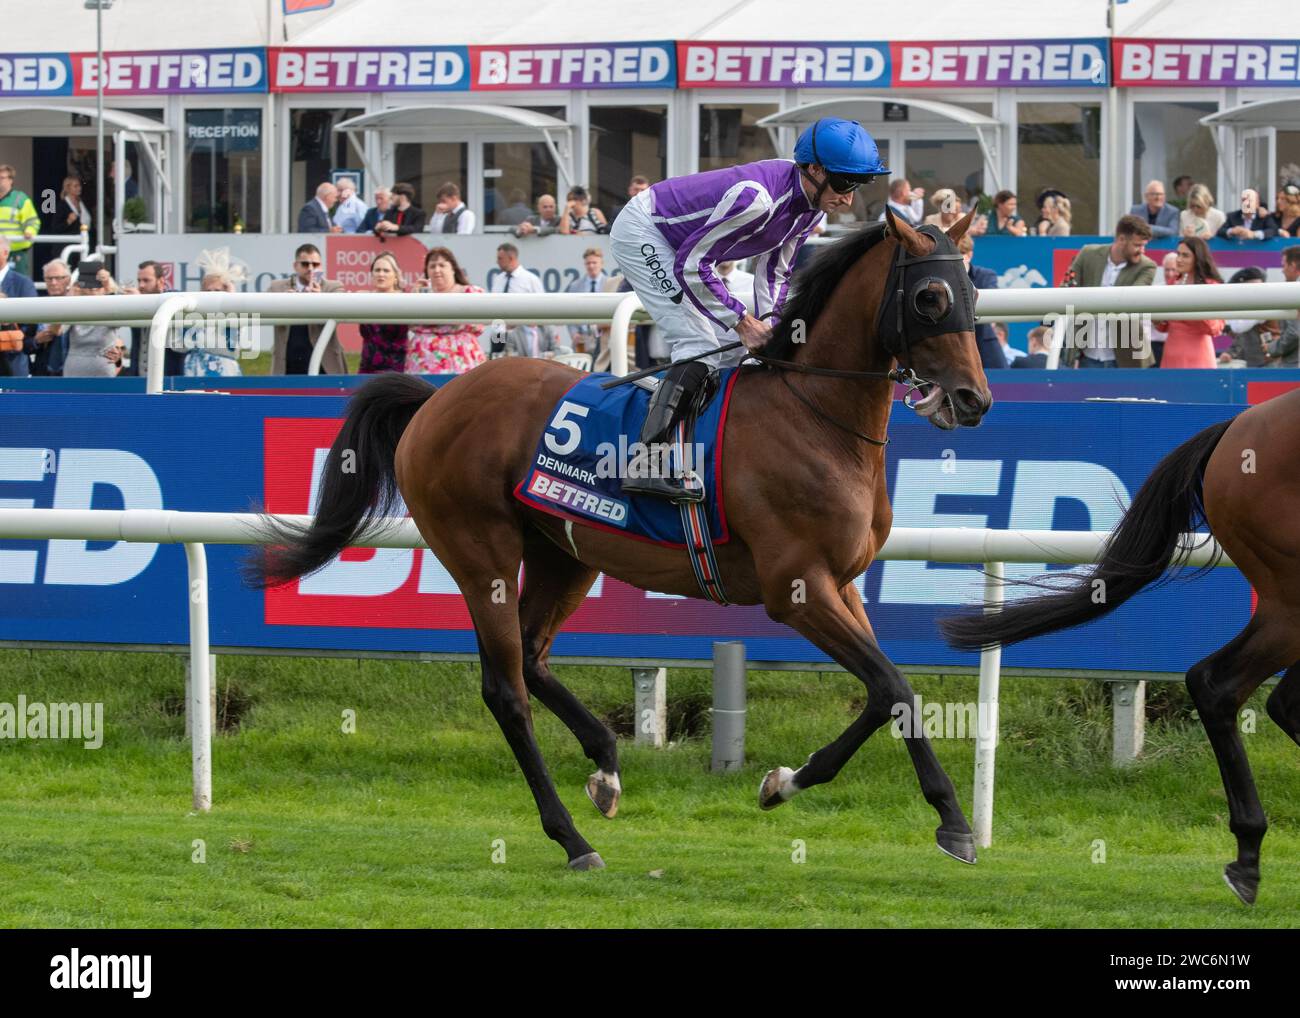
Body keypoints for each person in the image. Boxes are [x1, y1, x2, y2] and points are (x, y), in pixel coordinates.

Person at [610, 116, 889, 499]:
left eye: (857, 185)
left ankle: (709, 452)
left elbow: (773, 274)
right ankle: (646, 461)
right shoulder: (757, 199)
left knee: (740, 350)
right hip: (646, 231)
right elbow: (692, 265)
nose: (848, 198)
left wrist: (772, 326)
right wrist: (743, 321)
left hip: (685, 246)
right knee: (697, 343)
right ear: (814, 170)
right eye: (843, 183)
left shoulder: (812, 209)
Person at [1059, 215, 1157, 368]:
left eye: (1144, 245)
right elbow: (1066, 289)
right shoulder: (1087, 254)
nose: (1142, 251)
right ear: (1121, 239)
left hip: (1126, 358)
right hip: (1086, 355)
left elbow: (1132, 300)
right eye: (1138, 245)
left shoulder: (1147, 266)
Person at [268, 243, 348, 374]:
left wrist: (320, 299)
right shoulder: (277, 288)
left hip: (326, 365)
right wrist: (283, 302)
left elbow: (343, 309)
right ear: (295, 266)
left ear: (321, 266)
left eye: (315, 264)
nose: (311, 268)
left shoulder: (333, 287)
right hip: (288, 364)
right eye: (305, 264)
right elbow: (263, 310)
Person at [406, 247, 486, 375]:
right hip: (423, 362)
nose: (437, 270)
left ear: (453, 269)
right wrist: (413, 297)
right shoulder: (419, 295)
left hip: (463, 361)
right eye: (432, 266)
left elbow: (480, 322)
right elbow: (409, 323)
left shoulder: (470, 292)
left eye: (442, 265)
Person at [1153, 236, 1224, 369]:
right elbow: (1165, 326)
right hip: (1171, 351)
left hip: (1198, 353)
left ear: (1197, 258)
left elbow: (1215, 327)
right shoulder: (1173, 282)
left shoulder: (1211, 285)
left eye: (1185, 255)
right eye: (1178, 254)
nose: (1178, 259)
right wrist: (1157, 319)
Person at [61, 261, 128, 378]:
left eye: (97, 287)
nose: (92, 291)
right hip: (74, 369)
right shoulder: (73, 306)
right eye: (88, 287)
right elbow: (58, 330)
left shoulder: (110, 305)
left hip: (103, 368)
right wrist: (69, 298)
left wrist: (108, 288)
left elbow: (118, 317)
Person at [487, 243, 555, 358]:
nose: (497, 261)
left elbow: (542, 307)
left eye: (500, 258)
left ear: (511, 258)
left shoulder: (530, 280)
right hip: (498, 330)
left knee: (517, 366)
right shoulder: (498, 280)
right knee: (495, 360)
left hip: (520, 333)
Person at [120, 260, 184, 378]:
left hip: (169, 380)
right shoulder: (135, 304)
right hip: (138, 380)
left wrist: (140, 300)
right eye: (139, 281)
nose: (141, 285)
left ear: (161, 282)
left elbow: (176, 299)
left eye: (146, 280)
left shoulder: (173, 298)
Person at [957, 235, 1007, 370]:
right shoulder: (940, 278)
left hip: (982, 340)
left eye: (959, 254)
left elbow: (991, 301)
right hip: (953, 343)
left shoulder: (986, 275)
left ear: (969, 255)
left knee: (1003, 383)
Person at [184, 269, 245, 377]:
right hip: (195, 368)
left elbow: (233, 342)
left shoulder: (235, 314)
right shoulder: (193, 316)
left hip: (224, 369)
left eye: (217, 291)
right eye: (208, 291)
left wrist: (231, 296)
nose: (212, 295)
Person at [358, 251, 409, 374]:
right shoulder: (362, 298)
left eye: (386, 271)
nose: (381, 274)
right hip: (367, 367)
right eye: (377, 270)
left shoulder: (406, 299)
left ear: (396, 276)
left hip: (397, 368)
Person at [1218, 267, 1277, 367]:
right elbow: (1241, 336)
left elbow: (1239, 328)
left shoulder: (1262, 304)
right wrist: (1230, 353)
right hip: (1256, 362)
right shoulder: (1252, 307)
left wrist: (1224, 326)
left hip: (1268, 362)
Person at [563, 247, 611, 358]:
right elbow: (569, 312)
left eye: (594, 262)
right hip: (582, 339)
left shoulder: (610, 283)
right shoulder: (575, 285)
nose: (591, 266)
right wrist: (574, 333)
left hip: (604, 337)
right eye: (588, 263)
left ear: (601, 264)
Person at [0, 235, 38, 376]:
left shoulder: (23, 283)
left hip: (12, 362)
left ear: (5, 253)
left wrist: (8, 314)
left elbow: (31, 324)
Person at [32, 259, 73, 376]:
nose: (53, 282)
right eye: (49, 279)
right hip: (43, 373)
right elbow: (25, 344)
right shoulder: (36, 306)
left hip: (73, 371)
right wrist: (36, 340)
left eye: (58, 278)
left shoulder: (79, 304)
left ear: (68, 279)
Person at [1263, 246, 1300, 367]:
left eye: (1283, 265)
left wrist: (1272, 348)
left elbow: (1295, 332)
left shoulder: (1293, 291)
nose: (1282, 270)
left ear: (1293, 265)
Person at [0, 165, 40, 276]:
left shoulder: (20, 198)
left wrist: (30, 231)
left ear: (10, 180)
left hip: (15, 251)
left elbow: (32, 220)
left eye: (2, 178)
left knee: (17, 286)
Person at [1149, 251, 1181, 367]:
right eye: (1167, 270)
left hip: (1176, 343)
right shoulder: (1155, 290)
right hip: (1155, 345)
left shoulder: (1185, 290)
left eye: (1173, 269)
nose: (1170, 273)